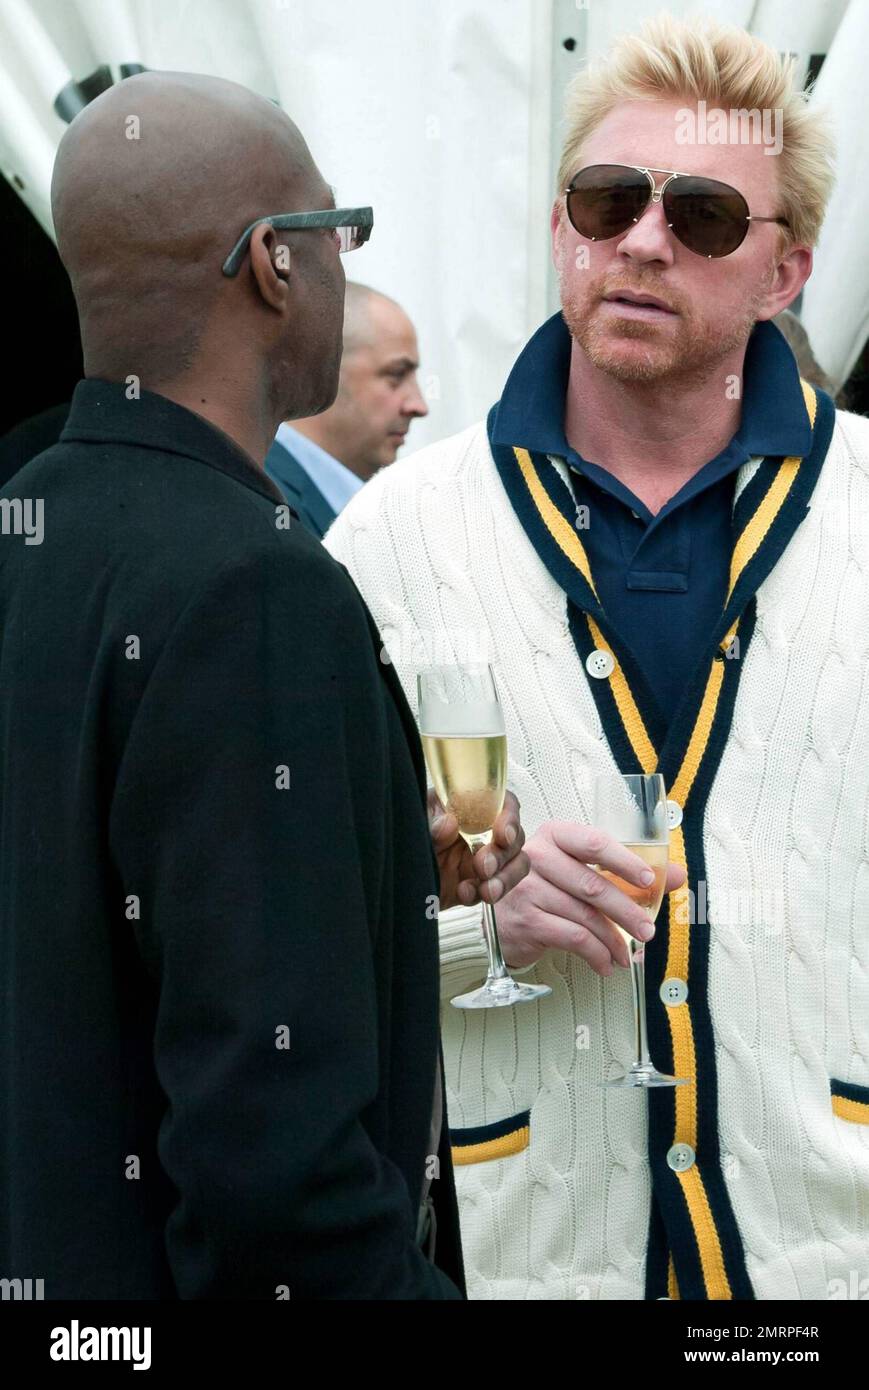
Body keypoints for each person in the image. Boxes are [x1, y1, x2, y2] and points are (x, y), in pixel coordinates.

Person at [326, 12, 869, 1301]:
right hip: (531, 1255)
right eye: (608, 199)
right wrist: (474, 926)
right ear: (562, 225)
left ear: (783, 274)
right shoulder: (396, 537)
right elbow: (301, 919)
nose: (641, 239)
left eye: (702, 218)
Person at [0, 70, 530, 1300]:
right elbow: (274, 1175)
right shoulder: (256, 586)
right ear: (274, 266)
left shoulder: (27, 532)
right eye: (338, 232)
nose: (342, 265)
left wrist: (374, 864)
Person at [266, 282, 428, 537]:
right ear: (323, 368)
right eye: (397, 375)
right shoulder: (269, 506)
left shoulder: (278, 494)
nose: (419, 406)